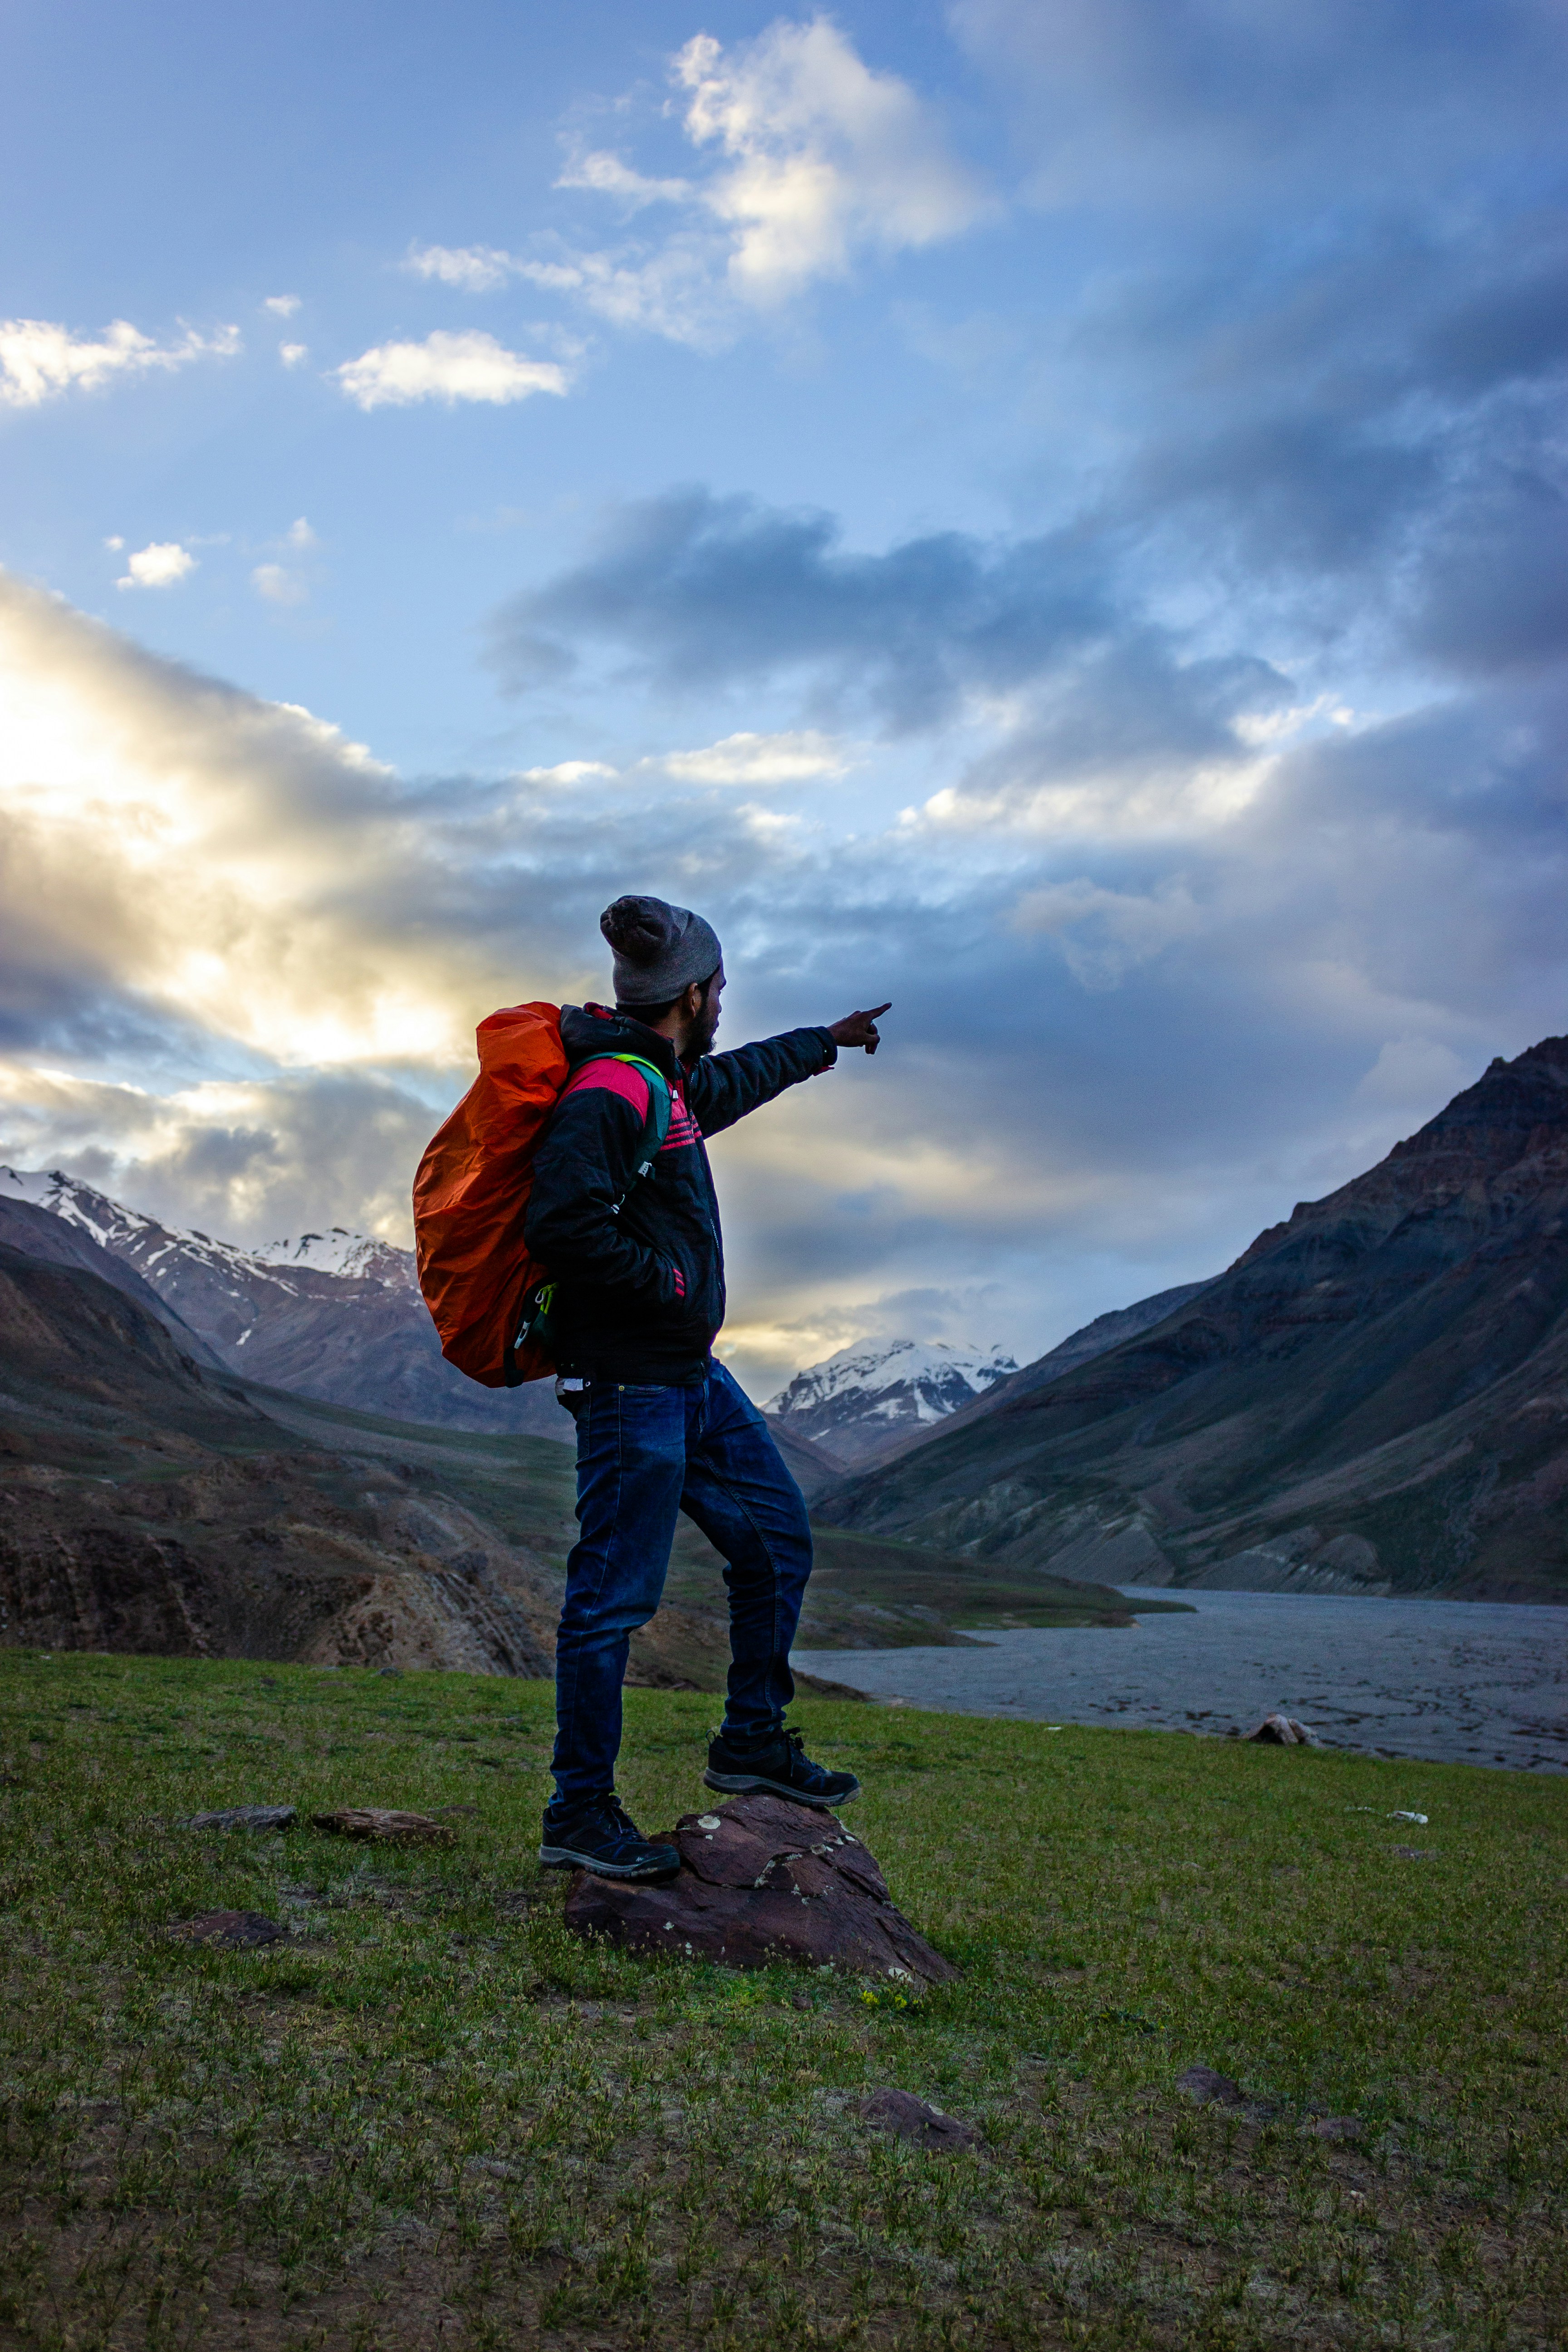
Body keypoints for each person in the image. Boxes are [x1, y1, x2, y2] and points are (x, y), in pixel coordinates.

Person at [525, 893, 891, 1882]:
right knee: (612, 1600)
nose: (724, 1002)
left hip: (688, 1378)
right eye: (721, 987)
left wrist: (825, 1042)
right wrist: (669, 1287)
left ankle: (751, 1743)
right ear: (694, 993)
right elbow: (561, 1223)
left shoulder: (668, 1085)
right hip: (630, 1382)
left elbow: (733, 1080)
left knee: (776, 1542)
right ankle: (581, 1810)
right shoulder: (613, 1090)